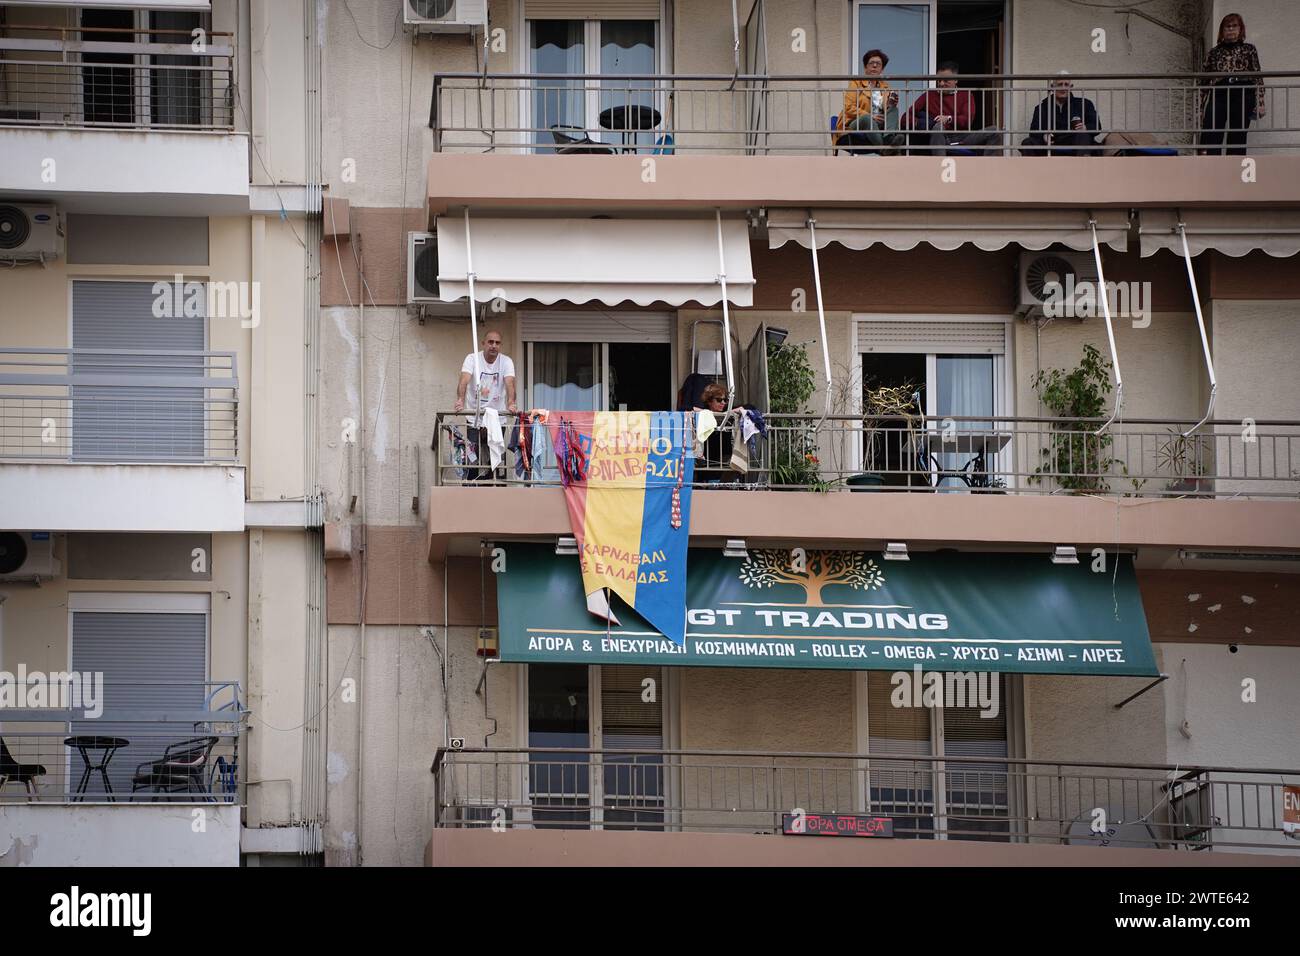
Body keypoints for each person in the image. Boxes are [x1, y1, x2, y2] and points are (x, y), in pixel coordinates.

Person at [900, 61, 1003, 155]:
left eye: (945, 80)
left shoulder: (966, 95)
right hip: (940, 137)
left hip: (963, 137)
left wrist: (948, 118)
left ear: (956, 80)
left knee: (995, 131)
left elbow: (967, 120)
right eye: (938, 80)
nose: (941, 84)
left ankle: (989, 168)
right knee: (938, 127)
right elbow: (905, 117)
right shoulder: (929, 95)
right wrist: (919, 123)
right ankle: (939, 167)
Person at [1199, 13, 1264, 156]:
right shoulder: (1213, 52)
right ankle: (1212, 170)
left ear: (1241, 30)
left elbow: (1257, 77)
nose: (1231, 29)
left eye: (1235, 26)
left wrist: (1260, 102)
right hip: (1219, 92)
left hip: (1242, 92)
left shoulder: (1249, 49)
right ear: (1222, 30)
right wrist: (1201, 108)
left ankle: (1234, 171)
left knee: (1238, 134)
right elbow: (1203, 82)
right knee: (1212, 132)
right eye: (1227, 26)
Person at [454, 330, 517, 480]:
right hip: (474, 417)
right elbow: (464, 380)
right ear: (483, 344)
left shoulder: (506, 361)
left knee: (495, 456)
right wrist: (460, 400)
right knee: (473, 457)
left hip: (497, 417)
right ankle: (471, 485)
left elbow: (510, 384)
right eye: (490, 342)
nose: (494, 346)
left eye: (497, 343)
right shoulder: (472, 359)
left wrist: (511, 403)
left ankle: (495, 486)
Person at [1020, 71, 1101, 156]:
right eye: (1059, 84)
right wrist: (1043, 136)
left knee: (1083, 135)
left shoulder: (1084, 104)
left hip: (1075, 143)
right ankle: (1033, 169)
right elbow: (1033, 132)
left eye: (1066, 84)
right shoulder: (1041, 108)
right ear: (1052, 87)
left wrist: (1085, 128)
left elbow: (1097, 126)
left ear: (1071, 87)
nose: (1063, 88)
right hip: (1051, 144)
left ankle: (1081, 167)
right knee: (1028, 142)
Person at [837, 49, 900, 154]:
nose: (875, 66)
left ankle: (888, 138)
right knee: (867, 119)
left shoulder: (885, 87)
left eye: (878, 64)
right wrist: (870, 116)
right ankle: (885, 149)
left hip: (878, 125)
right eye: (871, 63)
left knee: (894, 110)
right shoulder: (856, 83)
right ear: (865, 67)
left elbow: (887, 110)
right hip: (856, 123)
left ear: (882, 69)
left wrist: (890, 105)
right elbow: (848, 107)